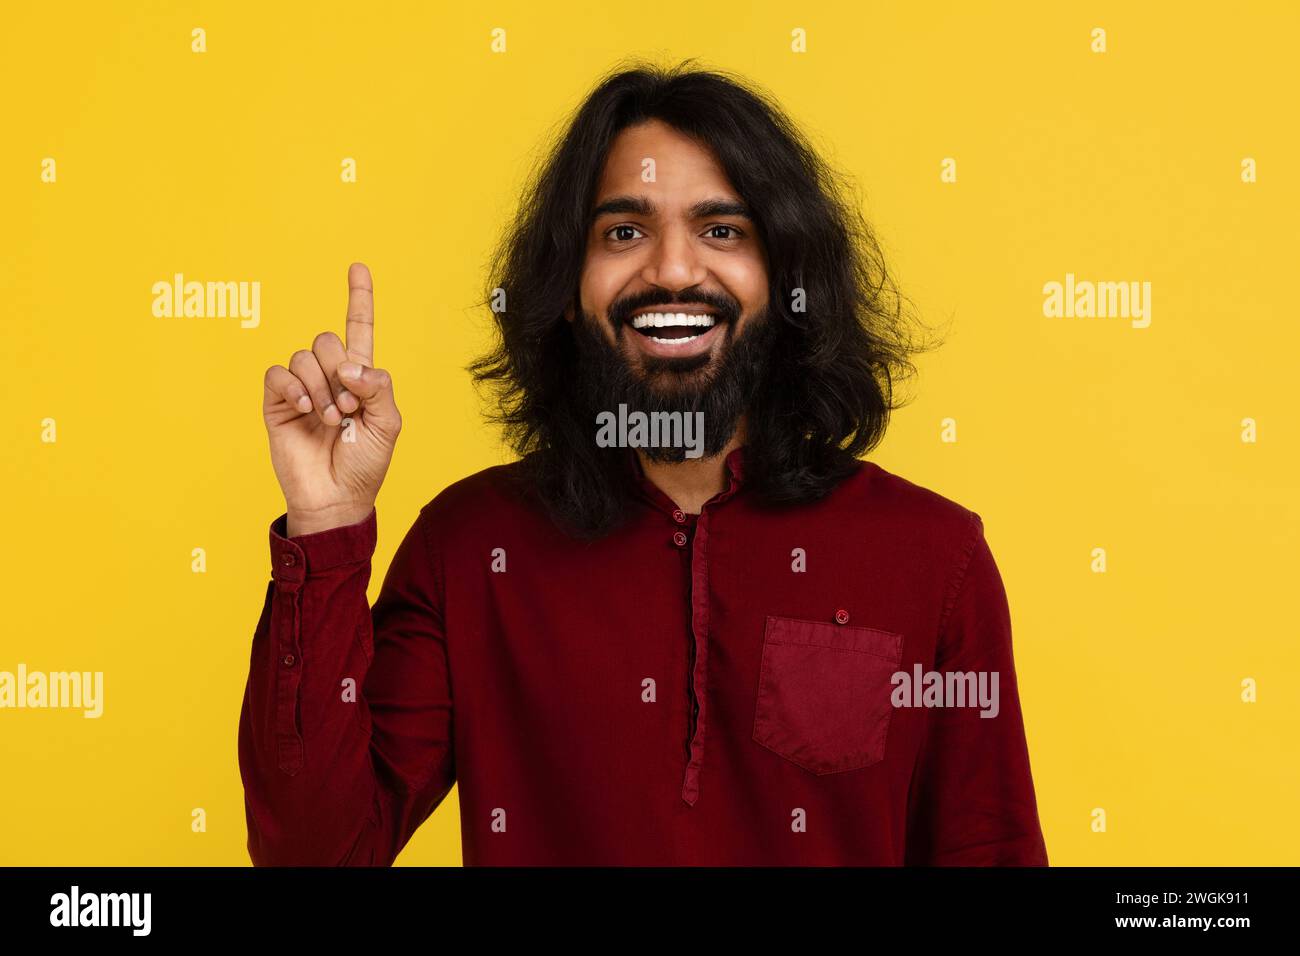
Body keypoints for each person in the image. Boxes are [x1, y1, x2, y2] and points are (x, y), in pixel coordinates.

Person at [239, 62, 1049, 866]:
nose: (670, 270)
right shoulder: (469, 548)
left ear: (785, 277)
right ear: (566, 286)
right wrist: (326, 526)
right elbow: (316, 854)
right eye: (623, 232)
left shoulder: (934, 557)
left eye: (722, 230)